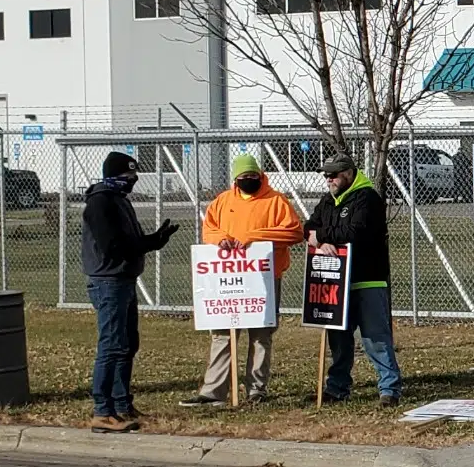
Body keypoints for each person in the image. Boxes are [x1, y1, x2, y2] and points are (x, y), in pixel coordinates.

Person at [178, 153, 306, 407]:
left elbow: (294, 232)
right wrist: (220, 239)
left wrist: (254, 236)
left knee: (261, 334)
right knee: (222, 334)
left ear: (260, 175)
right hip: (227, 279)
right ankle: (213, 392)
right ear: (235, 180)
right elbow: (209, 230)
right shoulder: (222, 202)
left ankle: (256, 389)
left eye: (252, 176)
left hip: (264, 278)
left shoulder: (276, 201)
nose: (249, 180)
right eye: (243, 177)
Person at [81, 151, 182, 432]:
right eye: (126, 177)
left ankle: (122, 403)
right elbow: (112, 245)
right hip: (108, 281)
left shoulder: (120, 201)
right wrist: (142, 244)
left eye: (133, 177)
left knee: (127, 344)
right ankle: (103, 411)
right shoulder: (100, 204)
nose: (131, 181)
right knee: (111, 345)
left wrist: (153, 240)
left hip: (124, 279)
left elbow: (129, 242)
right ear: (112, 176)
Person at [311, 153, 403, 407]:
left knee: (375, 338)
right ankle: (337, 388)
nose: (328, 179)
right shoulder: (327, 201)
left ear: (349, 174)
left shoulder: (368, 198)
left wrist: (321, 236)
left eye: (333, 174)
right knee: (338, 338)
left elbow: (355, 232)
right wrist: (322, 239)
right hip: (336, 282)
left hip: (368, 279)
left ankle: (389, 389)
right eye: (326, 175)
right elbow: (308, 227)